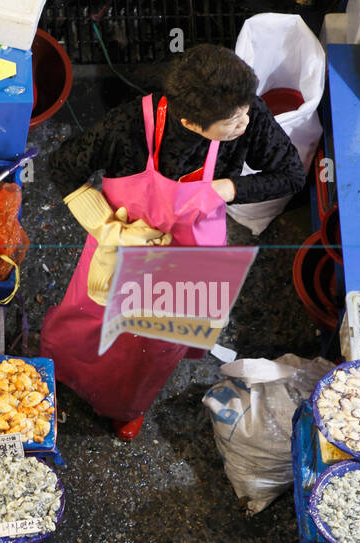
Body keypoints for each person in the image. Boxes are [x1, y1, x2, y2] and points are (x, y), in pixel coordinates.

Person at [42, 44, 306, 441]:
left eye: (245, 111)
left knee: (155, 346)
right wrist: (105, 227)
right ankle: (56, 375)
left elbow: (290, 174)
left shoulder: (244, 112)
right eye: (232, 120)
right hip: (124, 243)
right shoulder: (128, 127)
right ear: (193, 122)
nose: (244, 122)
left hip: (193, 251)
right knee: (90, 321)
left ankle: (126, 406)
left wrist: (227, 187)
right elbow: (62, 166)